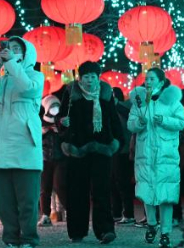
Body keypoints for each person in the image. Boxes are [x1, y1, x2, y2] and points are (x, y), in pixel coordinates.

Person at [0, 37, 44, 248]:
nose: (11, 51)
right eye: (9, 48)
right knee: (6, 202)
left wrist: (11, 65)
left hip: (25, 146)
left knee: (27, 201)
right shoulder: (3, 78)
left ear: (26, 55)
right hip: (1, 146)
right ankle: (10, 239)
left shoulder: (35, 76)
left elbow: (28, 89)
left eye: (17, 49)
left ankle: (29, 239)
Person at [58, 61, 124, 245]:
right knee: (77, 191)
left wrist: (118, 140)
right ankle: (77, 231)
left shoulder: (105, 92)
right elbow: (62, 116)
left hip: (102, 148)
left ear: (98, 77)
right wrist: (62, 123)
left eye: (93, 76)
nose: (89, 80)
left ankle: (105, 230)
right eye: (86, 77)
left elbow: (112, 117)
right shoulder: (71, 92)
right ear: (80, 78)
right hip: (78, 148)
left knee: (102, 190)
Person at [128, 68, 184, 248]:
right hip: (145, 156)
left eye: (152, 79)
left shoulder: (172, 102)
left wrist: (164, 120)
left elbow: (182, 122)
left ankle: (166, 232)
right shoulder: (139, 103)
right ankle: (152, 224)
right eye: (147, 79)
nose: (148, 81)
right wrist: (139, 123)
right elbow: (131, 125)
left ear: (161, 82)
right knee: (147, 192)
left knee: (165, 196)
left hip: (166, 156)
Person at [38, 92, 67, 226]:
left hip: (61, 158)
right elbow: (33, 138)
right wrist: (43, 132)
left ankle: (67, 210)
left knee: (60, 185)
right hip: (44, 158)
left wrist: (60, 132)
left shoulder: (62, 120)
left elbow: (69, 136)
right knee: (45, 188)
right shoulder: (39, 121)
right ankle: (45, 214)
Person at [110, 87, 135, 225]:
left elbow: (129, 116)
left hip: (124, 150)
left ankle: (129, 214)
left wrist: (117, 104)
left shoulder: (125, 107)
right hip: (113, 150)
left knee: (123, 183)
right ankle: (116, 212)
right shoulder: (109, 108)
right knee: (113, 182)